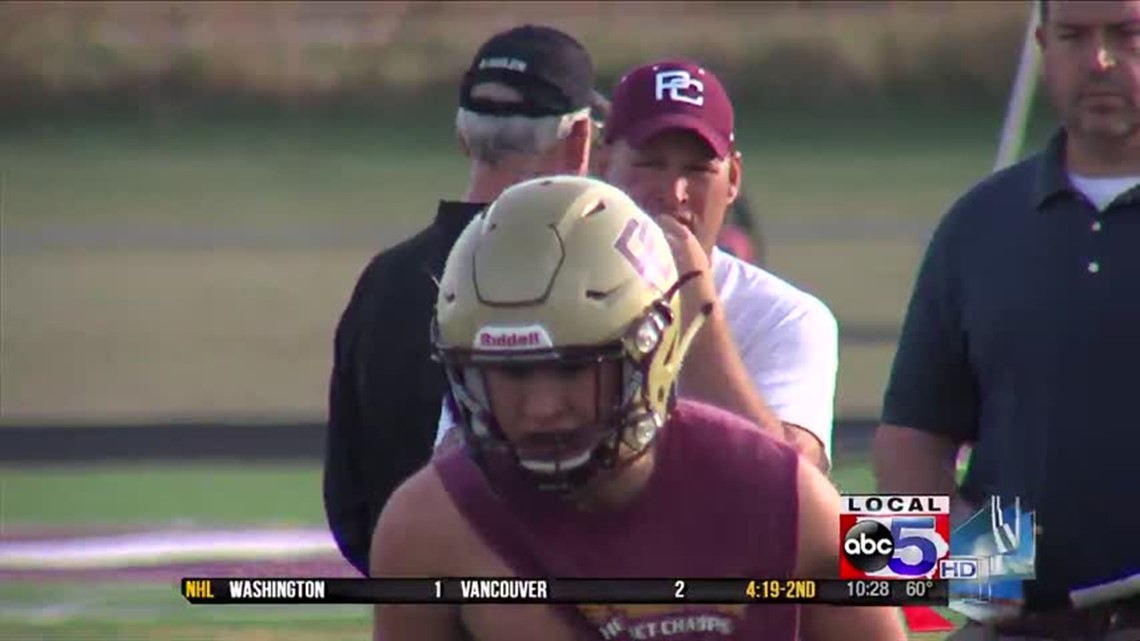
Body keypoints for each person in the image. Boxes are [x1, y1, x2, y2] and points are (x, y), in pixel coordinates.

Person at [370, 175, 905, 641]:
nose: (542, 408)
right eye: (510, 371)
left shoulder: (788, 500)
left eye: (573, 368)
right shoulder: (428, 527)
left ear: (650, 352)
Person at [875, 1, 1140, 638]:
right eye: (1075, 37)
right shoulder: (980, 223)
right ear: (1045, 45)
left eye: (1127, 34)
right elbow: (906, 441)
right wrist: (973, 567)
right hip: (1025, 628)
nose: (1098, 60)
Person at [323, 24, 598, 576]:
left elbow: (350, 507)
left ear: (463, 137)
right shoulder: (589, 276)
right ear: (580, 142)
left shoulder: (385, 281)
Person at [597, 59, 839, 471]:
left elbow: (791, 484)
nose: (674, 193)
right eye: (649, 164)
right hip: (586, 532)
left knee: (890, 531)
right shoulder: (542, 293)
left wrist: (693, 296)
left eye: (698, 170)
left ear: (733, 180)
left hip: (731, 535)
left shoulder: (786, 317)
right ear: (603, 167)